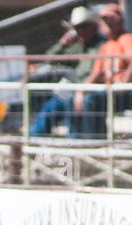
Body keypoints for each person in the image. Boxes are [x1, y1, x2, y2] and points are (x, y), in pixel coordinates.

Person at [72, 3, 132, 139]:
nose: (108, 24)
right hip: (115, 94)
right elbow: (96, 73)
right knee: (72, 101)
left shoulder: (126, 39)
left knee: (93, 100)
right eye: (104, 20)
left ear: (120, 21)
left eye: (111, 20)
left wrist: (124, 83)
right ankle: (80, 141)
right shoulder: (106, 46)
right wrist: (80, 91)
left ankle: (94, 143)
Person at [29, 6, 103, 137]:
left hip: (90, 90)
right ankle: (32, 140)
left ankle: (76, 143)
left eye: (84, 26)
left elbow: (98, 72)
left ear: (93, 26)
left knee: (74, 103)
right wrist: (62, 45)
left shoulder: (101, 46)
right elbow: (49, 60)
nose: (80, 31)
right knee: (50, 107)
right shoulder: (77, 46)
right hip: (76, 89)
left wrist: (81, 91)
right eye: (77, 27)